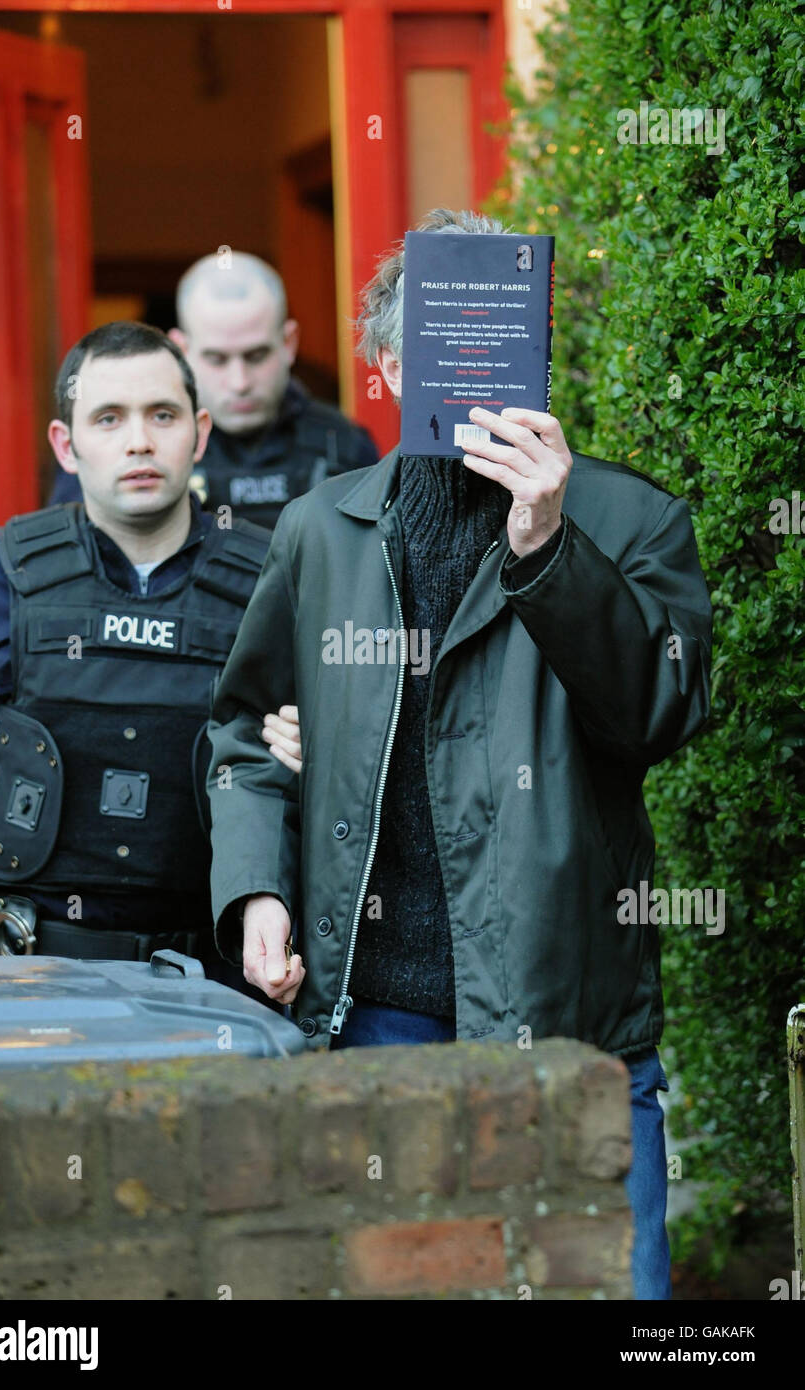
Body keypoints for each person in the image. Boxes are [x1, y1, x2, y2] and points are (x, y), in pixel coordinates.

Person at [204, 207, 713, 1299]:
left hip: (573, 1020)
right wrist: (254, 890)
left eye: (501, 339)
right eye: (437, 342)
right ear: (387, 368)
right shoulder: (319, 528)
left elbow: (661, 714)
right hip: (377, 1015)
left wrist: (549, 548)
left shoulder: (628, 519)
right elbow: (245, 729)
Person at [0, 320, 299, 974]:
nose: (139, 441)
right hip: (10, 987)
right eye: (108, 419)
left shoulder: (275, 590)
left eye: (162, 415)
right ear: (66, 443)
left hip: (214, 992)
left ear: (200, 432)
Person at [50, 254, 380, 527]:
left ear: (289, 343)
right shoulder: (141, 448)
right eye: (217, 359)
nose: (239, 382)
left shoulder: (343, 445)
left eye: (256, 356)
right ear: (180, 348)